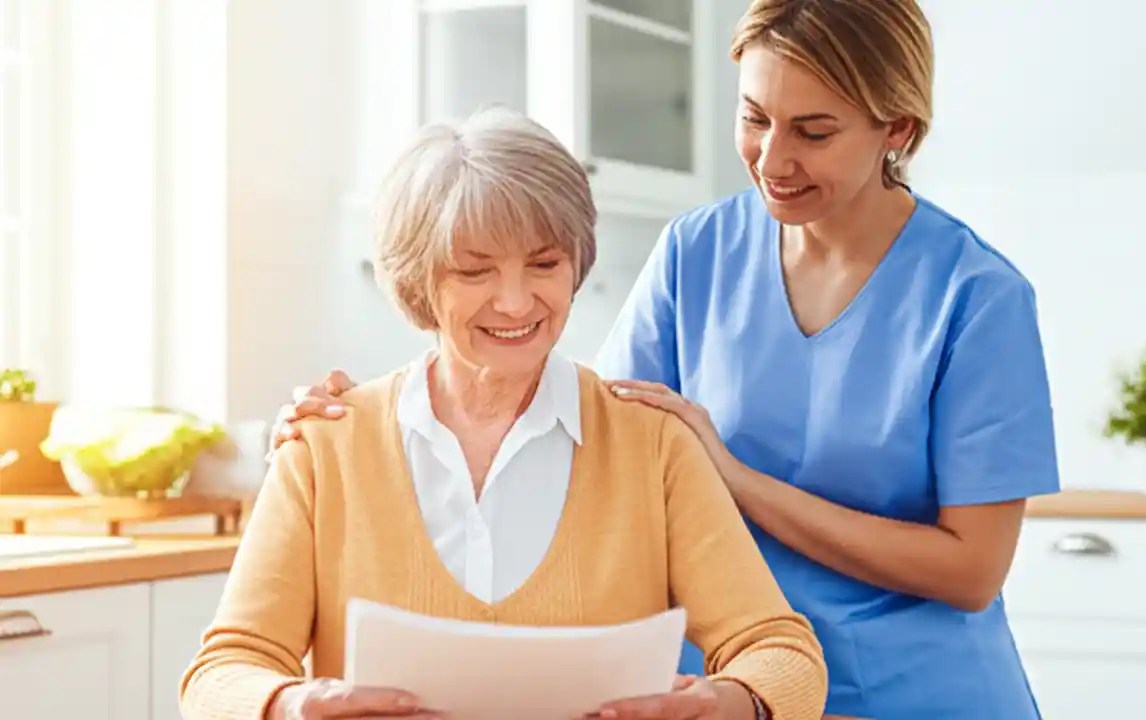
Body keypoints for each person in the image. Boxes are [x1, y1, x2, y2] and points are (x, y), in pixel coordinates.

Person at [272, 0, 1061, 717]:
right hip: (725, 686)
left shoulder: (977, 297)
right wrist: (353, 416)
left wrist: (733, 476)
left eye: (813, 132)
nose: (772, 158)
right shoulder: (699, 250)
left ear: (898, 130)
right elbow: (602, 429)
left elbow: (972, 571)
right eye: (754, 118)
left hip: (914, 692)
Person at [182, 107, 828, 720]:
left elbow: (780, 651)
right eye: (474, 271)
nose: (516, 302)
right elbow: (223, 670)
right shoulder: (326, 446)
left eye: (544, 264)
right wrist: (288, 704)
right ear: (419, 281)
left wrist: (728, 702)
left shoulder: (652, 445)